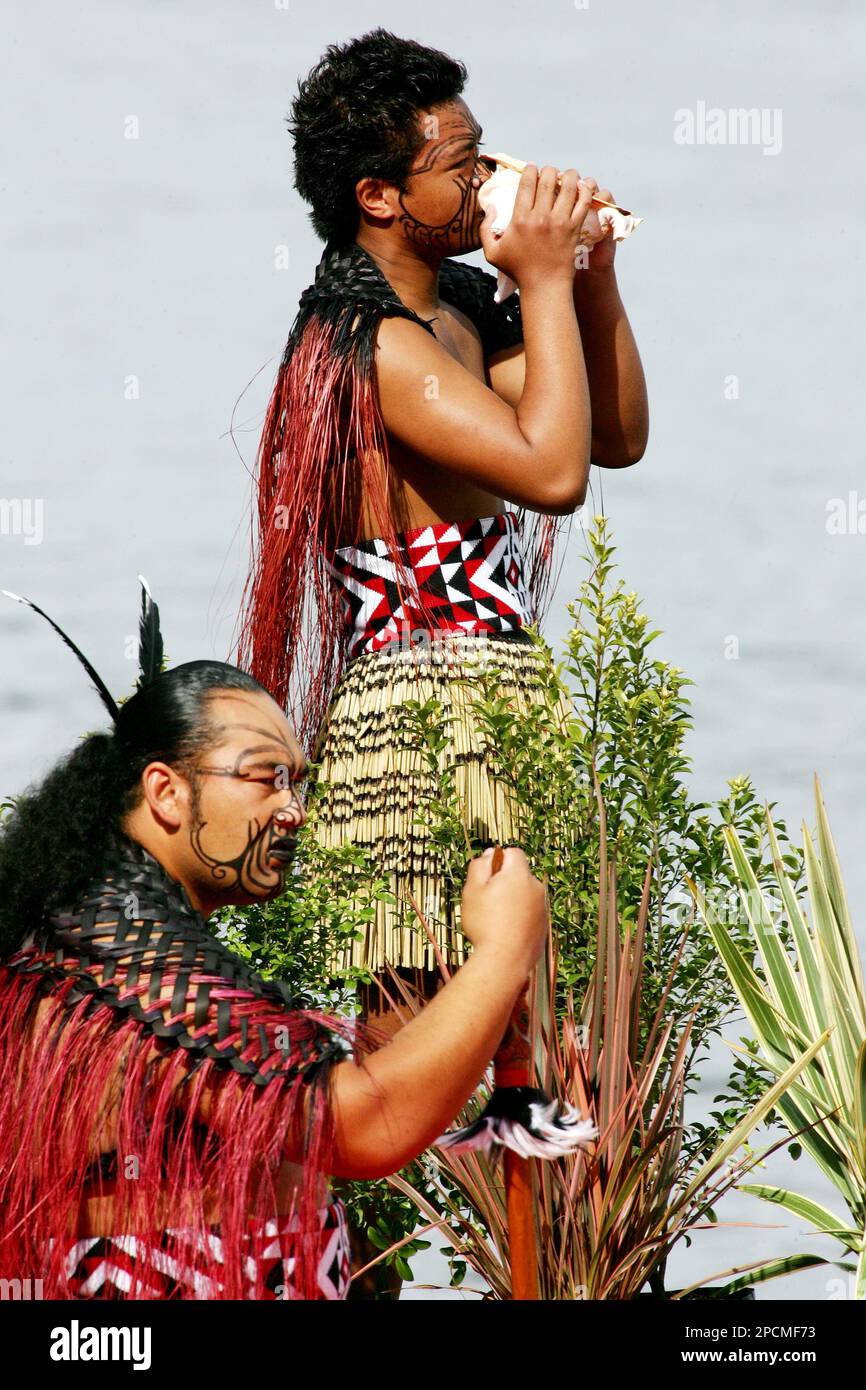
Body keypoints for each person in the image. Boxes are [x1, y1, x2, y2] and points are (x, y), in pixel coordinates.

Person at [236, 29, 648, 1025]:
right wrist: (542, 279)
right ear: (378, 196)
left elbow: (612, 437)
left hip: (499, 685)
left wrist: (585, 272)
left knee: (541, 1017)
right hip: (416, 706)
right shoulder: (363, 339)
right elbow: (549, 477)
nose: (482, 185)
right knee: (414, 1007)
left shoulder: (460, 298)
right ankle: (371, 1181)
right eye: (457, 167)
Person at [0, 584, 551, 1300]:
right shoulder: (112, 946)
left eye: (297, 782)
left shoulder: (105, 932)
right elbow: (359, 1126)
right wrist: (503, 953)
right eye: (265, 779)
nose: (293, 810)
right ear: (166, 793)